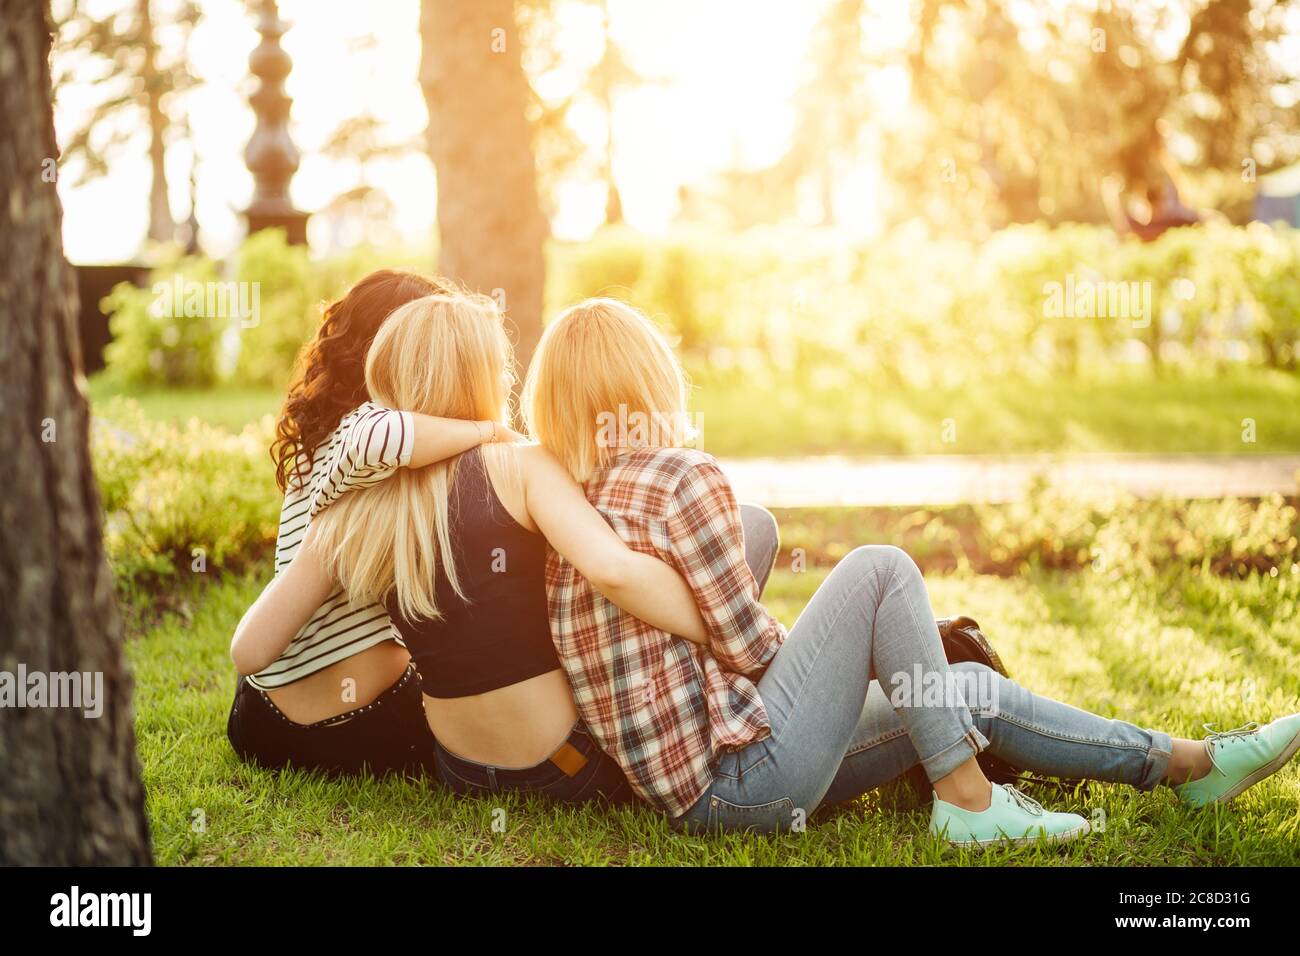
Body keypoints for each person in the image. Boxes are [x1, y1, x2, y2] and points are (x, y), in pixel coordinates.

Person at [523, 297, 1300, 844]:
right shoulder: (680, 479)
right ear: (647, 378)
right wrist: (847, 651)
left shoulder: (578, 507)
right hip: (743, 782)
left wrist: (879, 669)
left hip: (693, 786)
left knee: (959, 692)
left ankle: (1187, 765)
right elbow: (755, 654)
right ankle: (967, 801)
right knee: (880, 571)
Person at [230, 292, 776, 804]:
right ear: (483, 378)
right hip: (565, 764)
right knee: (749, 531)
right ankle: (746, 662)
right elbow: (611, 568)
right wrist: (723, 626)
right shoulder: (523, 464)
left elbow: (249, 653)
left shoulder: (354, 509)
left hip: (458, 771)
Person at [227, 270, 523, 777]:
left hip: (261, 718)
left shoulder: (317, 449)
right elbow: (387, 434)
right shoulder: (360, 434)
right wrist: (493, 430)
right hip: (356, 726)